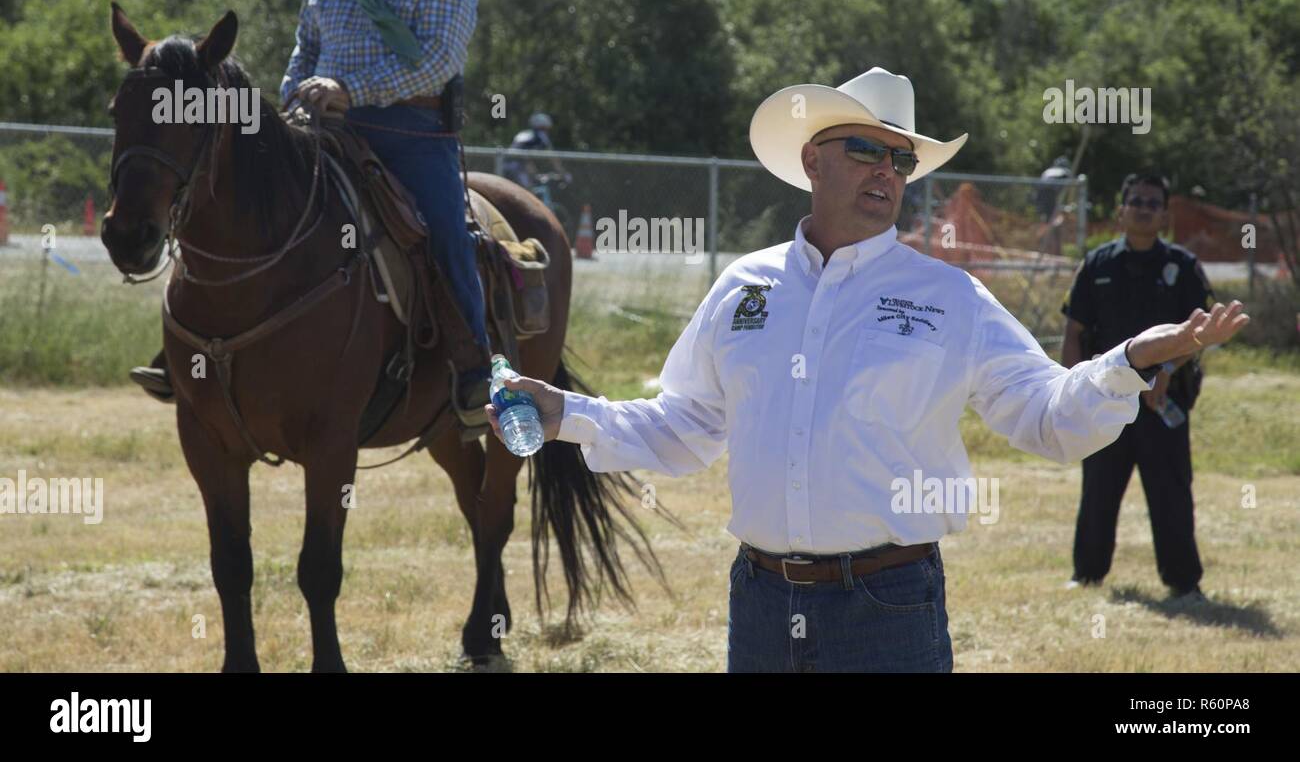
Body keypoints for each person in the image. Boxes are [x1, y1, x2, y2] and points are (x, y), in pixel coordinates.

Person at [483, 67, 1249, 673]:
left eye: (902, 158)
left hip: (889, 610)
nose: (888, 171)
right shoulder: (744, 286)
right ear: (811, 159)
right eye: (867, 151)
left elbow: (1045, 415)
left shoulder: (948, 296)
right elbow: (684, 427)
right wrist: (564, 414)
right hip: (759, 602)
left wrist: (1128, 361)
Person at [129, 0, 494, 428]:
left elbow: (441, 60)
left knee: (447, 227)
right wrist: (298, 95)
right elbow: (305, 50)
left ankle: (474, 364)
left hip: (411, 130)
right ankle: (190, 351)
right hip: (320, 125)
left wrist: (354, 92)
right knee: (228, 203)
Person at [1061, 173, 1216, 602]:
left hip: (1160, 399)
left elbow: (1200, 332)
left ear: (1164, 215)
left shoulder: (1183, 268)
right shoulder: (1097, 265)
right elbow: (1073, 330)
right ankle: (1086, 574)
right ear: (1120, 211)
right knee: (1099, 491)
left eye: (1153, 203)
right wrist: (1073, 389)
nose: (1144, 208)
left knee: (1170, 493)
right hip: (1107, 403)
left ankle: (1184, 582)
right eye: (1136, 201)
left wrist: (1165, 371)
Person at [502, 112, 565, 188]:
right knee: (527, 192)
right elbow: (552, 157)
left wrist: (534, 172)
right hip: (517, 167)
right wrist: (562, 172)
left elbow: (526, 157)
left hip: (505, 165)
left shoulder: (524, 133)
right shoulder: (541, 135)